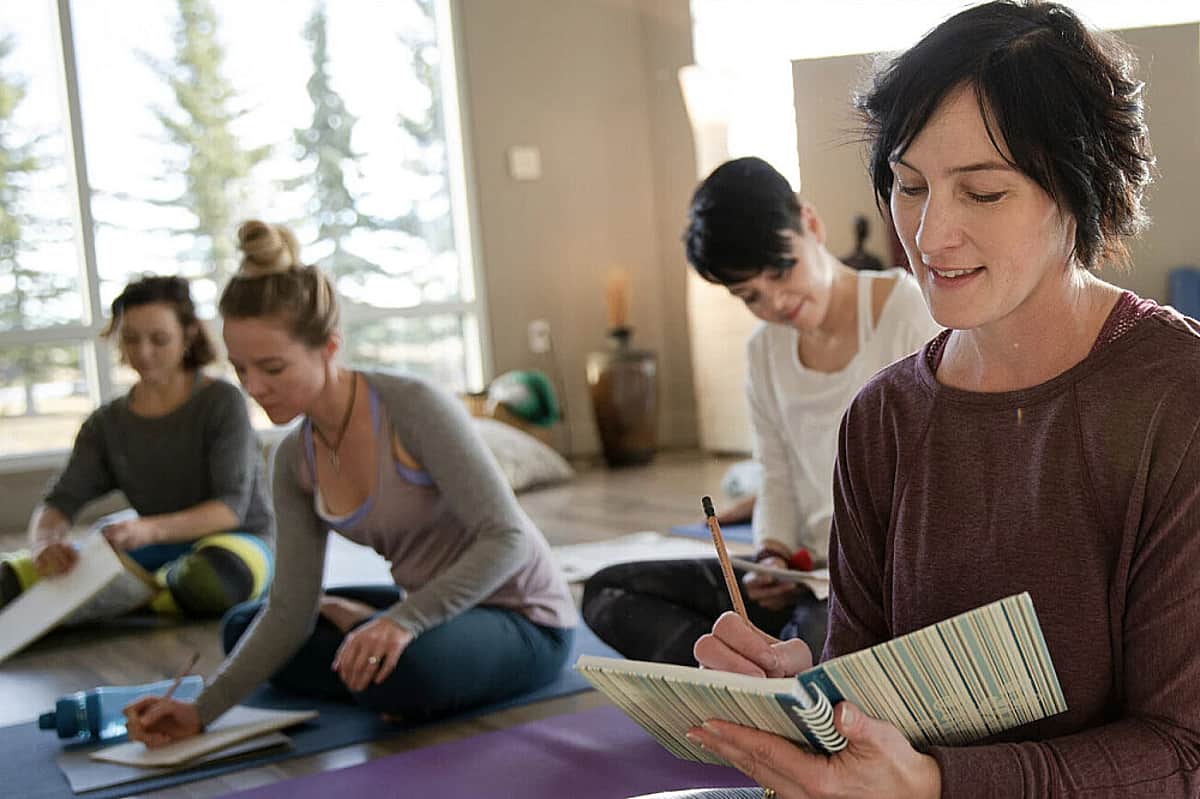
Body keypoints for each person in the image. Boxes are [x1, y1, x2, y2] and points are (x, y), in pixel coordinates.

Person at [689, 2, 1200, 796]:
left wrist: (935, 782)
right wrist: (810, 700)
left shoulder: (1177, 399)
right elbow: (869, 692)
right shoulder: (882, 418)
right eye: (909, 185)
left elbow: (1183, 750)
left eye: (983, 193)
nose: (928, 236)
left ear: (1083, 189)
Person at [124, 220, 577, 746]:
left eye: (272, 368)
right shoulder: (293, 458)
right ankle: (381, 657)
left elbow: (508, 538)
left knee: (402, 674)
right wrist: (201, 711)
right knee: (242, 626)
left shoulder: (412, 408)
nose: (254, 388)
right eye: (241, 369)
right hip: (427, 608)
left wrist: (401, 620)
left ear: (329, 348)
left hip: (521, 618)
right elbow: (290, 608)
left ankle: (387, 658)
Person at [582, 157, 939, 664]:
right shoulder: (766, 351)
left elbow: (937, 484)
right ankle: (760, 678)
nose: (775, 302)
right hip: (804, 577)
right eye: (750, 295)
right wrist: (773, 552)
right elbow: (776, 472)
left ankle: (760, 678)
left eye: (781, 270)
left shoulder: (907, 311)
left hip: (879, 586)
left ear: (810, 224)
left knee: (822, 644)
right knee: (609, 592)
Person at [0, 275, 274, 618]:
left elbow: (229, 509)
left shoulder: (222, 401)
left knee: (207, 582)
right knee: (7, 579)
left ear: (188, 334)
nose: (143, 352)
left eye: (159, 339)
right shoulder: (106, 423)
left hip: (235, 541)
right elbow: (59, 501)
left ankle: (125, 596)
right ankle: (148, 593)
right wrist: (45, 543)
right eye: (130, 339)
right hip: (150, 545)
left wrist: (147, 529)